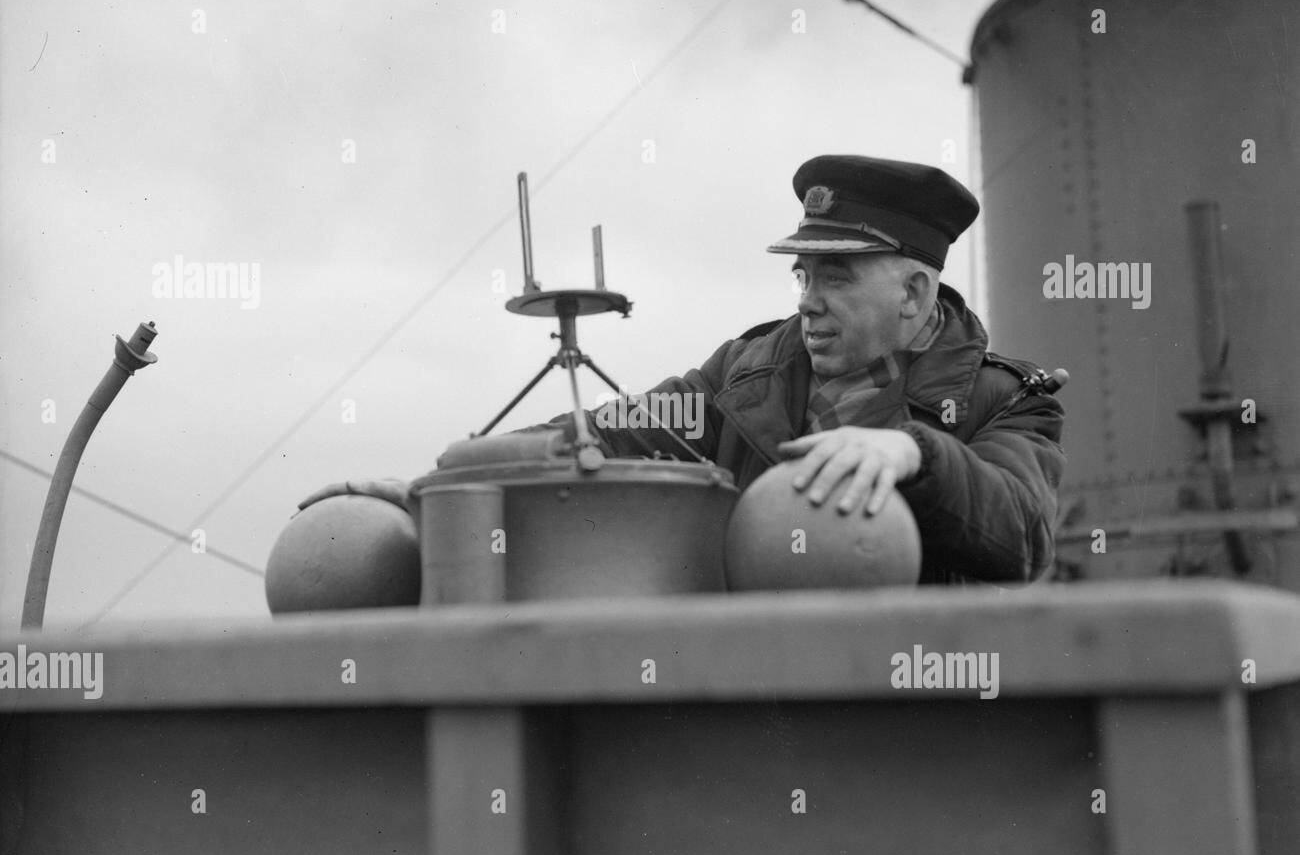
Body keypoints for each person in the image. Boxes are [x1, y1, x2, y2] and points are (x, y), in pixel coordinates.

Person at [301, 155, 1066, 585]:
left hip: (918, 726)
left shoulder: (1005, 401)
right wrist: (436, 487)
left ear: (914, 291)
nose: (809, 302)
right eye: (802, 277)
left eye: (836, 278)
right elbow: (605, 434)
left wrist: (916, 452)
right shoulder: (744, 378)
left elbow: (1020, 534)